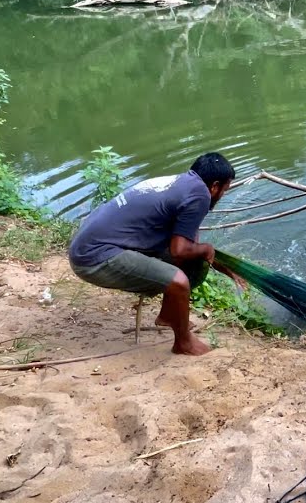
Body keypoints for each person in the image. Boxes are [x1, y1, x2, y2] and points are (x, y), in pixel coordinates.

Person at [68, 152, 245, 355]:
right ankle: (183, 343)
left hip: (85, 244)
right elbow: (179, 250)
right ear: (214, 186)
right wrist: (207, 249)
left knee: (192, 263)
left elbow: (186, 245)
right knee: (179, 282)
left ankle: (168, 316)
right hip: (93, 257)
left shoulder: (182, 184)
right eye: (225, 189)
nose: (223, 195)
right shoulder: (200, 195)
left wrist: (224, 267)